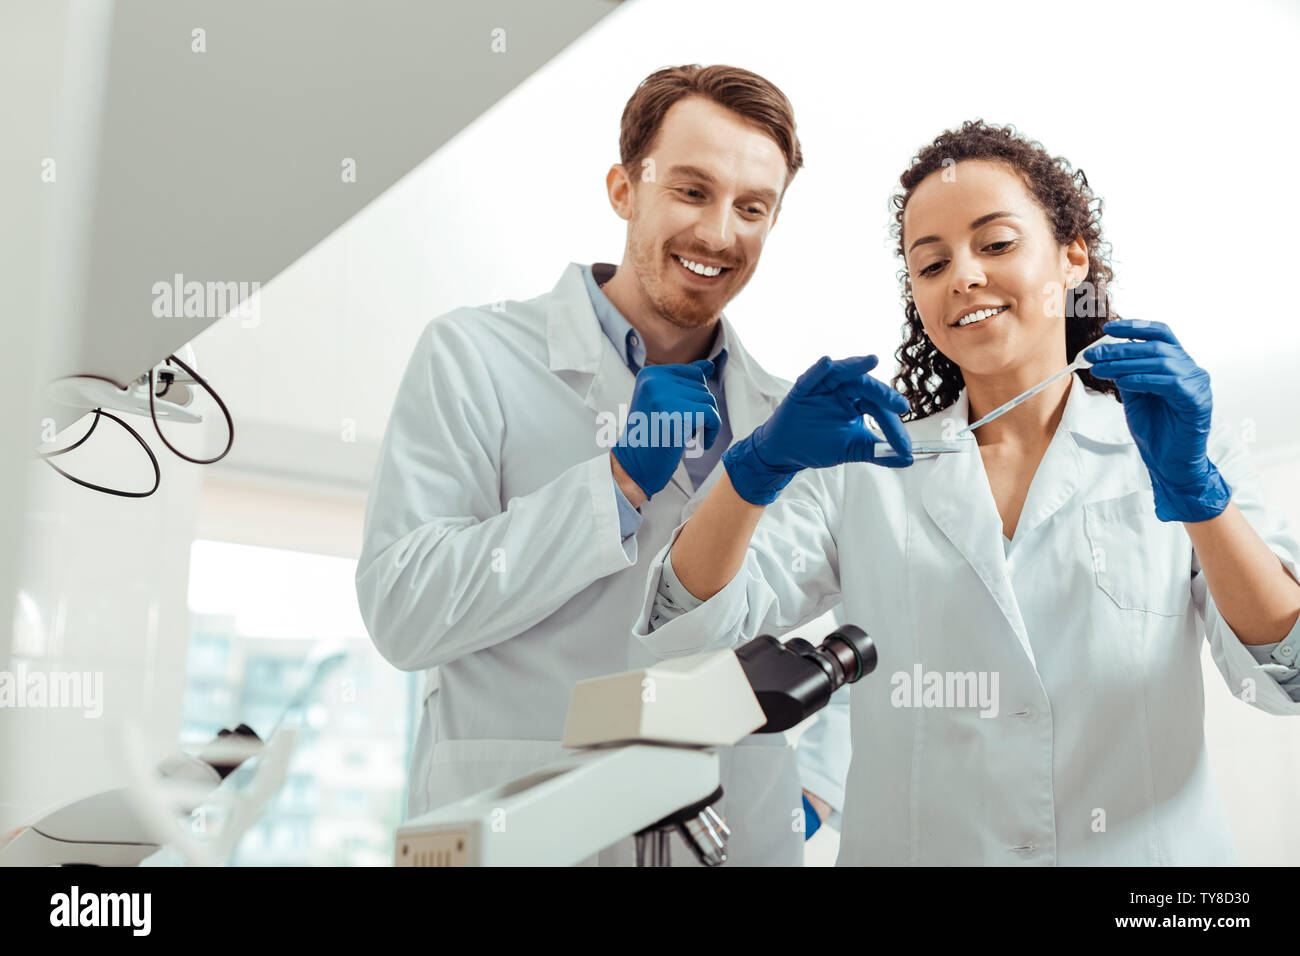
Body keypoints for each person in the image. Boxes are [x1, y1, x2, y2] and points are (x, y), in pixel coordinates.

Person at [632, 119, 1300, 866]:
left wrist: (1197, 492)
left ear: (1072, 256)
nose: (964, 276)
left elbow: (1287, 672)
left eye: (997, 243)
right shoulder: (867, 468)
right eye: (932, 263)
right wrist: (755, 469)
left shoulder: (1178, 444)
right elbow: (687, 622)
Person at [356, 64, 844, 865]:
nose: (721, 234)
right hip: (525, 827)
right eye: (692, 191)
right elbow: (404, 609)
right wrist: (615, 486)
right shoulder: (474, 356)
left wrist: (820, 788)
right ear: (624, 189)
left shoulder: (786, 417)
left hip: (730, 832)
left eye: (752, 208)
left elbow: (849, 616)